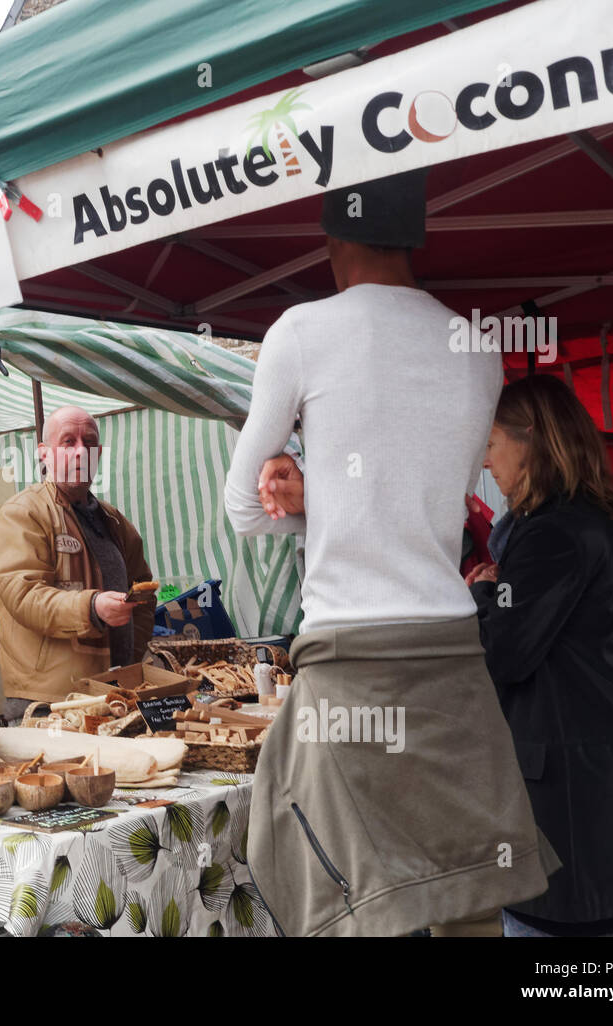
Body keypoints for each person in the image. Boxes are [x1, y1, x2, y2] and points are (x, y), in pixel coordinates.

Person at [224, 169, 554, 937]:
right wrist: (329, 501)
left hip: (352, 662)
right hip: (451, 661)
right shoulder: (475, 347)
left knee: (357, 909)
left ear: (332, 238)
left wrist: (310, 504)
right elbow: (422, 495)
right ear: (416, 236)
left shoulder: (302, 332)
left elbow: (244, 509)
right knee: (466, 903)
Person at [468, 375, 613, 937]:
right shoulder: (595, 520)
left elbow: (503, 654)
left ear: (530, 443)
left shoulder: (554, 533)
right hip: (601, 796)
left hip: (575, 809)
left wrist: (481, 593)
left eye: (493, 441)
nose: (486, 456)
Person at [0, 406, 155, 717]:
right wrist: (92, 608)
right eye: (68, 442)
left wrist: (129, 655)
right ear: (44, 453)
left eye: (90, 443)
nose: (81, 451)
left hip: (110, 693)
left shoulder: (114, 521)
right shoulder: (23, 513)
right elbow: (23, 596)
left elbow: (143, 595)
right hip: (47, 702)